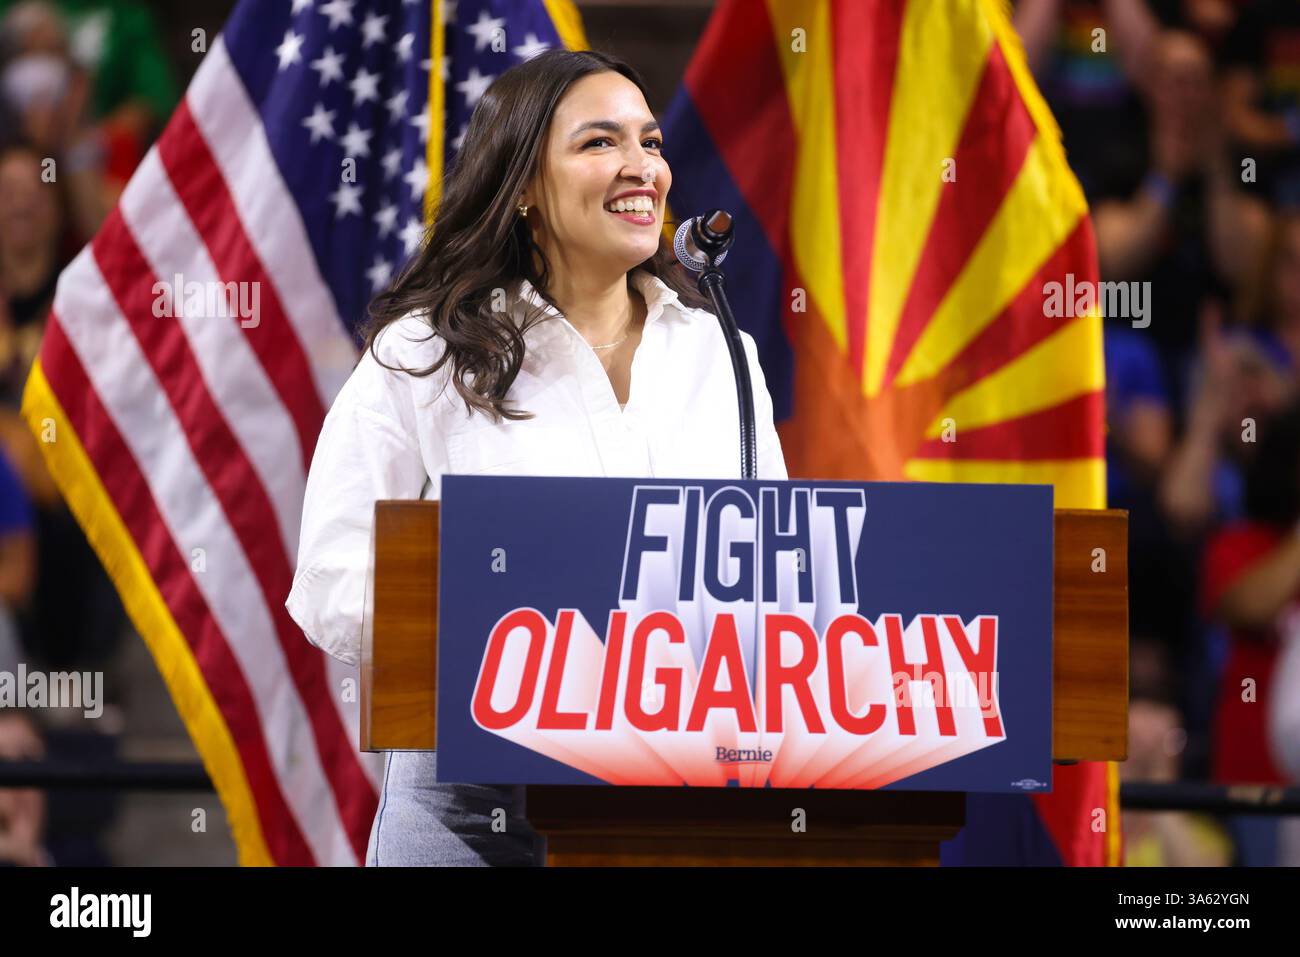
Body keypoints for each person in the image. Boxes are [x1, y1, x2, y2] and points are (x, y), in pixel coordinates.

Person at [284, 49, 787, 867]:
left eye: (651, 143)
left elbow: (774, 576)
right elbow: (331, 575)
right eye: (599, 143)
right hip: (473, 800)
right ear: (520, 186)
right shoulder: (426, 350)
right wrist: (507, 624)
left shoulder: (719, 349)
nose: (641, 167)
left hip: (682, 797)